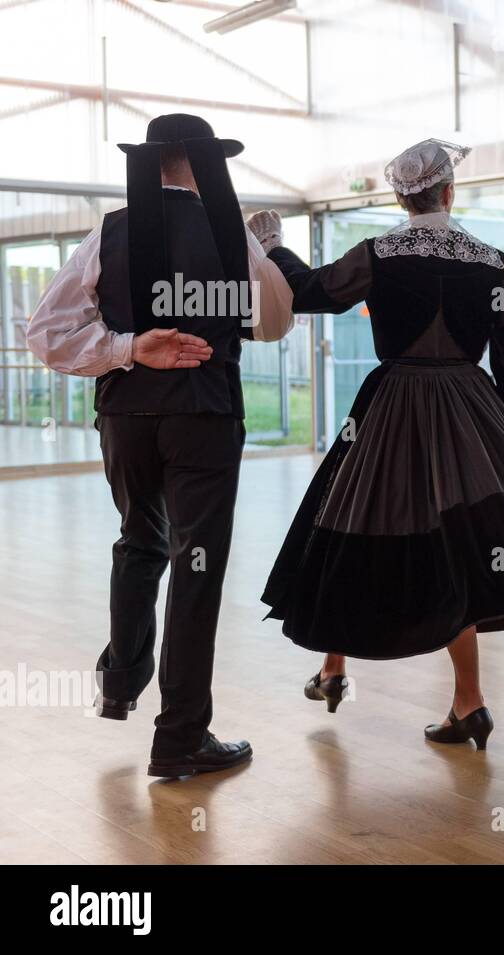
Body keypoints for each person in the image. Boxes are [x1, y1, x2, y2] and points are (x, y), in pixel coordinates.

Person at [255, 138, 504, 749]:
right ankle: (459, 699)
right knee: (461, 543)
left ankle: (341, 670)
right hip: (467, 407)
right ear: (449, 191)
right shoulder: (490, 261)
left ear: (402, 198)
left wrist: (273, 248)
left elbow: (313, 291)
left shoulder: (378, 254)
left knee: (354, 519)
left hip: (393, 405)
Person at [26, 113, 295, 776]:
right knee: (196, 567)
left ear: (153, 161)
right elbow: (273, 323)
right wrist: (265, 253)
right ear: (205, 163)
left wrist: (128, 347)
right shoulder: (231, 232)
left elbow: (47, 333)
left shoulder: (109, 230)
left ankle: (120, 681)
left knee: (139, 540)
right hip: (203, 416)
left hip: (125, 417)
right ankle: (179, 738)